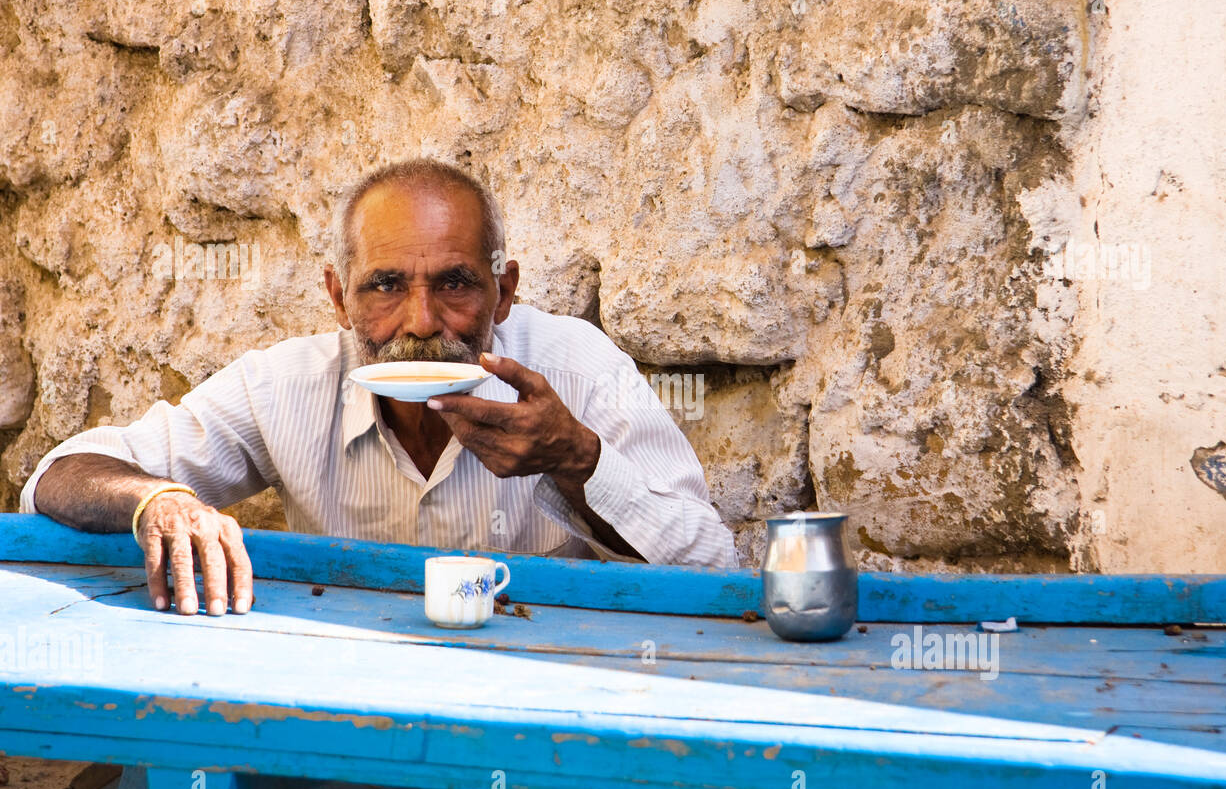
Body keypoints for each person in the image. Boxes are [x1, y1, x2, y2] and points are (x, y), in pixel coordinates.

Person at [20, 158, 737, 616]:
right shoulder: (289, 386)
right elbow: (55, 476)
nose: (421, 323)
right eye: (386, 287)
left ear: (505, 290)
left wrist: (577, 461)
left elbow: (713, 568)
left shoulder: (574, 369)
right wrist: (160, 500)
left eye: (456, 284)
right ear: (339, 299)